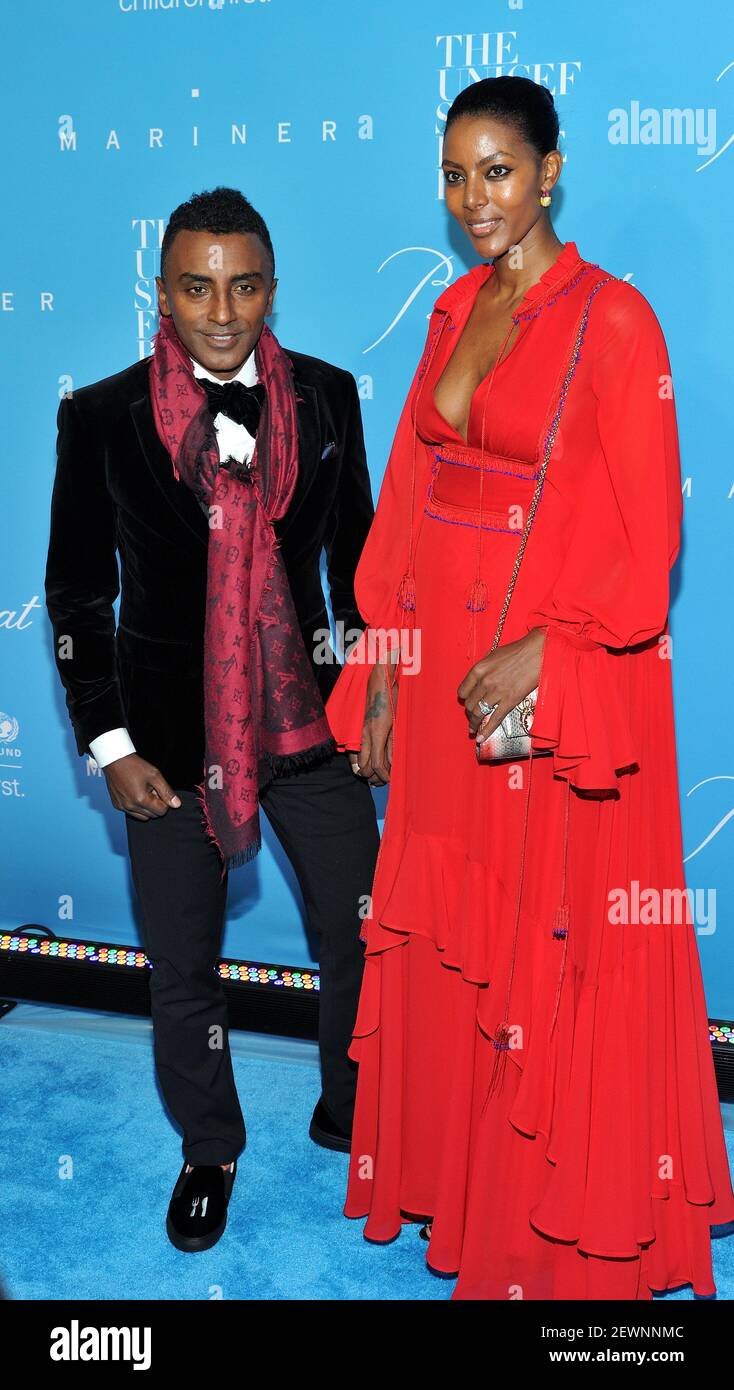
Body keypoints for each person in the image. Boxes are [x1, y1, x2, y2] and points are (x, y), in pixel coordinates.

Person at [325, 77, 734, 1299]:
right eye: (454, 176)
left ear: (549, 171)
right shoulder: (453, 308)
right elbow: (405, 503)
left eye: (495, 171)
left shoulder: (616, 322)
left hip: (530, 689)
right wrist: (386, 671)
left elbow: (644, 530)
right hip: (443, 678)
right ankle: (453, 1185)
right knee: (453, 940)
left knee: (535, 940)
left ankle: (535, 1232)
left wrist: (553, 647)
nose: (472, 199)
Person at [44, 186, 379, 1253]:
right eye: (197, 285)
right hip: (167, 741)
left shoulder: (327, 399)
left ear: (272, 290)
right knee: (182, 963)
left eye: (242, 285)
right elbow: (76, 594)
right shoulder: (100, 414)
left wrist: (372, 693)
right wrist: (111, 744)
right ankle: (210, 1149)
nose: (221, 310)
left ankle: (351, 1110)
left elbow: (360, 571)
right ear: (164, 291)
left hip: (307, 726)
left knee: (361, 928)